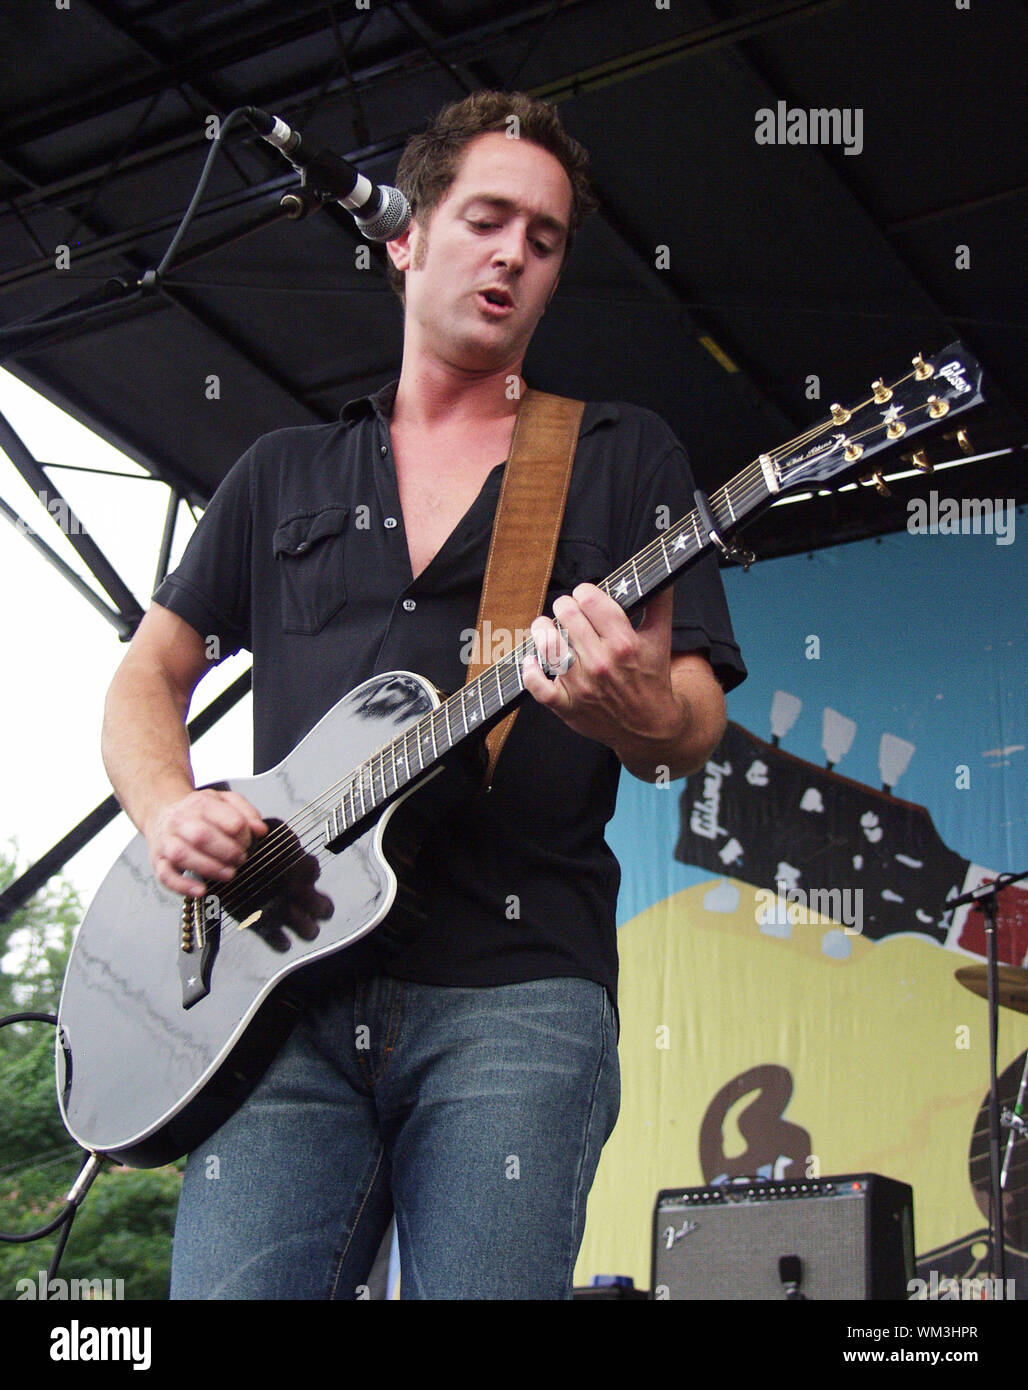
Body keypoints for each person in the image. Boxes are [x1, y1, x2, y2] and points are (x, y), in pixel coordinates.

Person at [100, 91, 746, 1299]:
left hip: (515, 995)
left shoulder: (618, 457)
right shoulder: (280, 471)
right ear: (404, 236)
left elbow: (688, 726)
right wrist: (165, 810)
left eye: (543, 240)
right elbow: (150, 672)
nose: (512, 252)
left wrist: (631, 710)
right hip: (278, 993)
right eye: (487, 218)